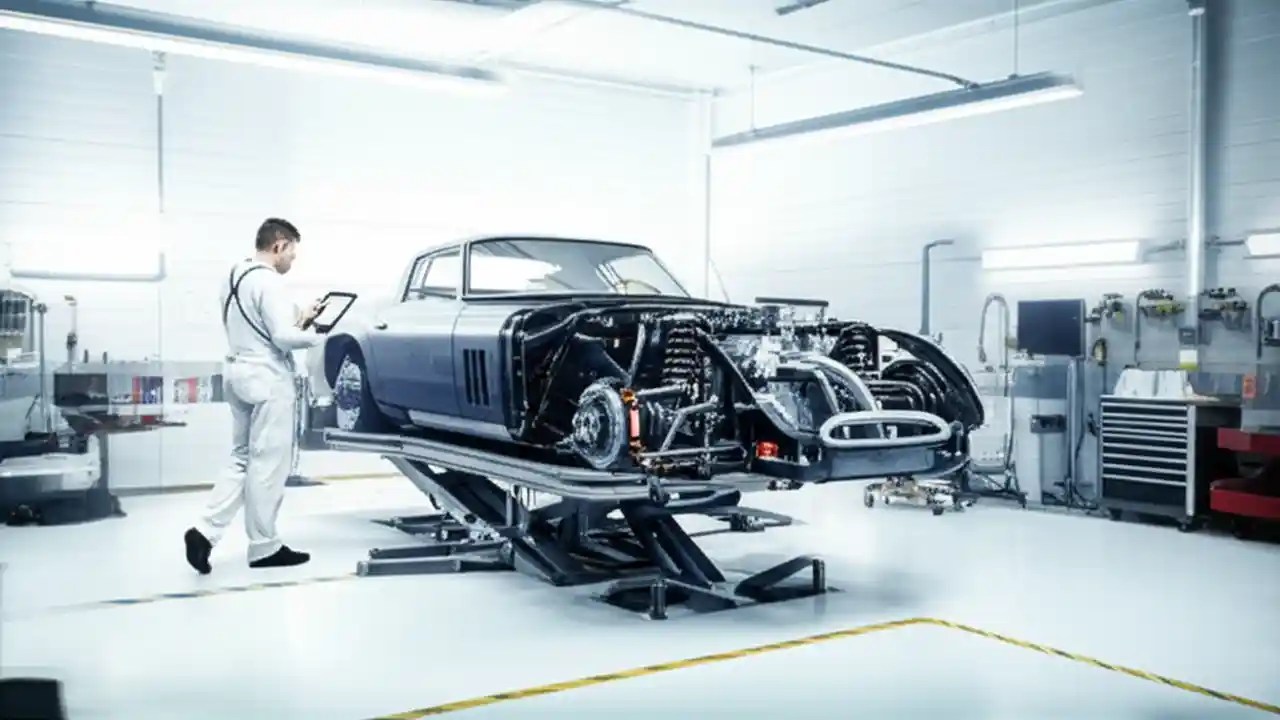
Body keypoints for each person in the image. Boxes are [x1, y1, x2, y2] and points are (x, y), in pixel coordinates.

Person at [183, 218, 327, 573]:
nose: (293, 260)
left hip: (237, 374)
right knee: (268, 464)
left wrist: (303, 317)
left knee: (241, 457)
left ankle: (204, 532)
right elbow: (282, 338)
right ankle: (264, 547)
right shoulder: (270, 281)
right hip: (267, 380)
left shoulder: (234, 276)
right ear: (278, 246)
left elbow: (260, 325)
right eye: (292, 252)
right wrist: (323, 337)